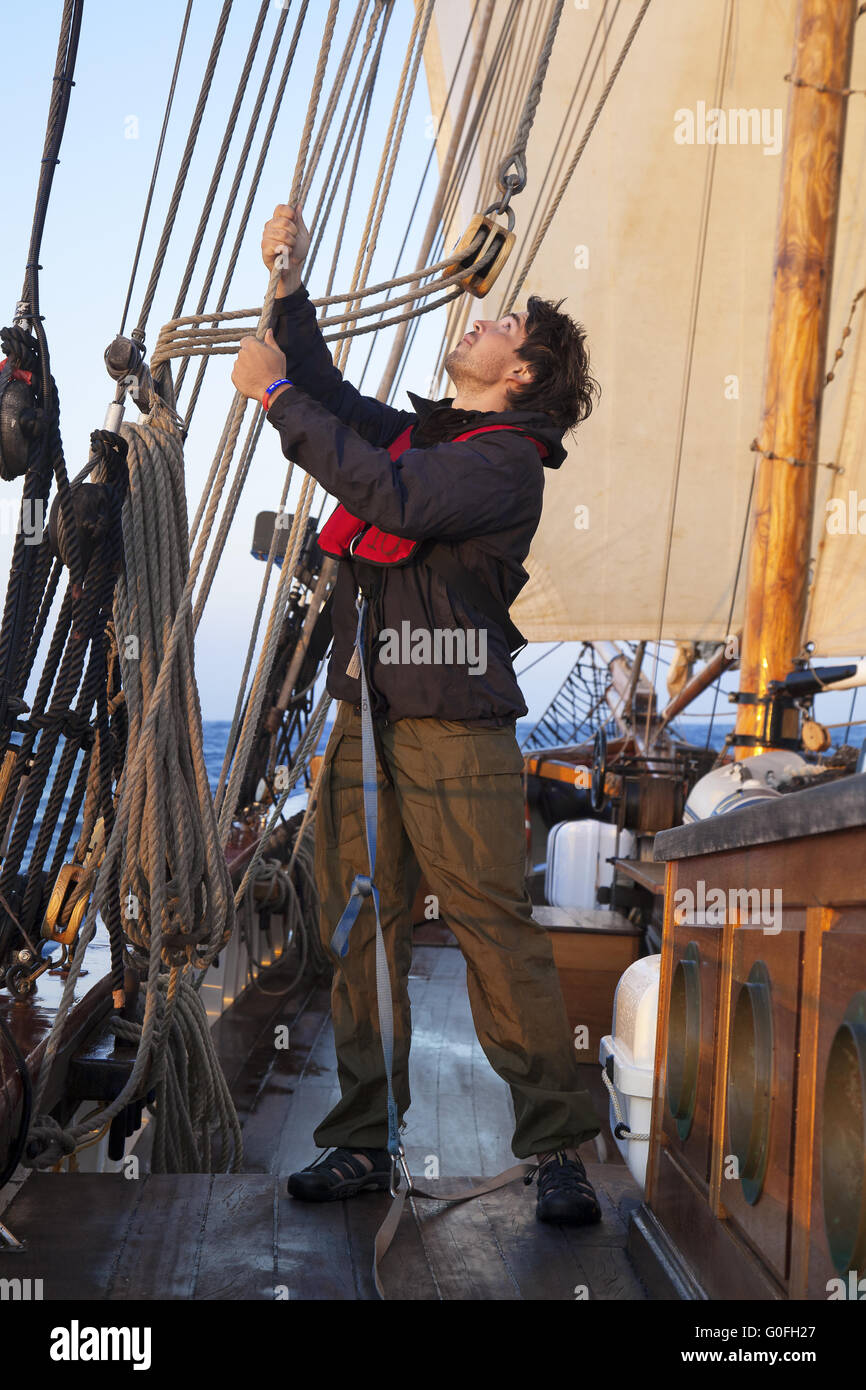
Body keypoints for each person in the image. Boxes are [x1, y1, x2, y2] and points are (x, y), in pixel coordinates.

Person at [231, 204, 603, 1225]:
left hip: (455, 723)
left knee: (491, 928)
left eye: (499, 327)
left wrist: (270, 399)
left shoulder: (503, 462)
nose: (477, 321)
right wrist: (288, 278)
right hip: (369, 713)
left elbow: (389, 494)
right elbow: (337, 403)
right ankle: (359, 1139)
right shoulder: (435, 435)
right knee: (363, 929)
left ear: (519, 375)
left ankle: (556, 1149)